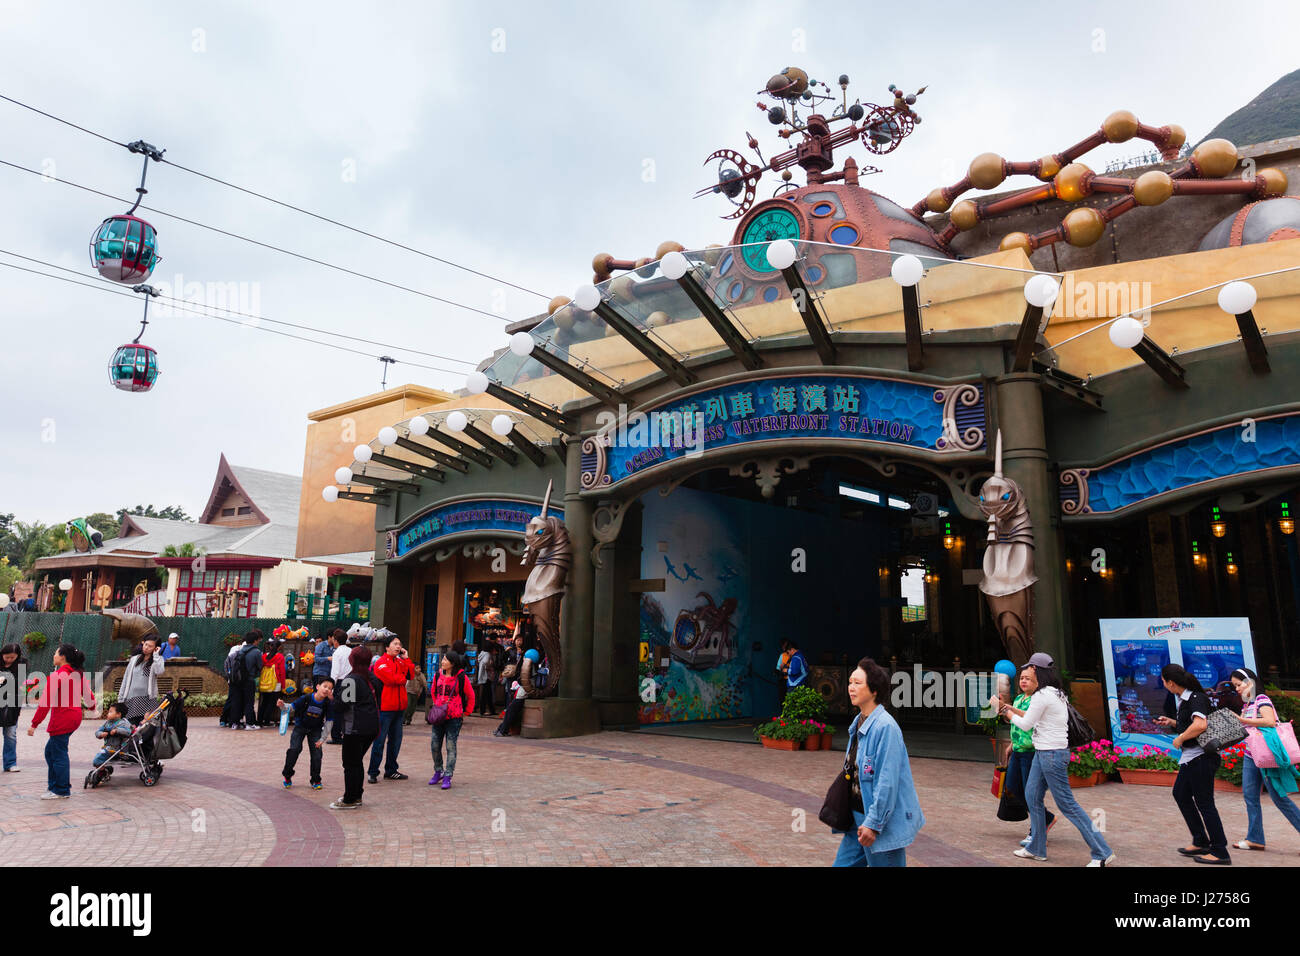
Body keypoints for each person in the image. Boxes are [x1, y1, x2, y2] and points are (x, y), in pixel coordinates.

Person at [997, 662, 1116, 866]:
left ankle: (1102, 852)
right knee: (1032, 795)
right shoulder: (1054, 692)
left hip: (1052, 754)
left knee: (1067, 805)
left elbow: (1026, 724)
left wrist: (1005, 712)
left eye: (1030, 673)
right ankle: (1036, 848)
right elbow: (1032, 717)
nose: (1026, 677)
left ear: (1039, 674)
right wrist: (1011, 708)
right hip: (1044, 753)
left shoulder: (1042, 695)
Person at [832, 657, 925, 867]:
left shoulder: (885, 728)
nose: (851, 688)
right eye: (850, 682)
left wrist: (873, 824)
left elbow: (887, 782)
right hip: (857, 816)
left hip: (879, 822)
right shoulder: (858, 723)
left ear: (874, 691)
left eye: (858, 683)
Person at [1153, 663, 1229, 864]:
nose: (1163, 684)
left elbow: (1200, 725)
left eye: (1163, 681)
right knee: (1181, 794)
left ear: (1170, 682)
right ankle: (1201, 840)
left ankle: (1220, 851)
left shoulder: (1195, 698)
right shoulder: (1185, 699)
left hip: (1201, 758)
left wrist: (1179, 738)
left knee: (1205, 803)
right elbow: (1192, 725)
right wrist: (1172, 723)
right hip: (1192, 757)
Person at [1230, 666, 1300, 850]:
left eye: (1238, 685)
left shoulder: (1262, 699)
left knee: (1279, 799)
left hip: (1266, 756)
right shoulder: (1248, 704)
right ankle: (1255, 838)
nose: (1236, 689)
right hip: (1251, 756)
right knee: (1250, 796)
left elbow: (1270, 721)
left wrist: (1243, 720)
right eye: (1235, 686)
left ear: (1249, 683)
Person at [28, 643, 95, 800]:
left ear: (63, 657)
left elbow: (45, 703)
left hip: (63, 719)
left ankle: (61, 790)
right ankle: (56, 787)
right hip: (74, 717)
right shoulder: (77, 673)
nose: (54, 656)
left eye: (56, 653)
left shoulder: (57, 675)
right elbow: (89, 697)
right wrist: (92, 709)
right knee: (51, 752)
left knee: (58, 754)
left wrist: (34, 724)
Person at [1003, 664, 1055, 848]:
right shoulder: (1018, 698)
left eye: (1029, 679)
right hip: (1018, 751)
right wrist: (1011, 744)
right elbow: (1016, 724)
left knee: (1031, 793)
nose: (1024, 681)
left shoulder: (1037, 700)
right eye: (1022, 678)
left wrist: (1008, 710)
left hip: (1032, 752)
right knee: (1012, 787)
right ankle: (1046, 818)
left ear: (1038, 682)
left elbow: (1029, 718)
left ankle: (1036, 831)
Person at [331, 646, 379, 810]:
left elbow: (342, 705)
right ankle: (356, 795)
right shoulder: (372, 678)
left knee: (351, 763)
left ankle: (350, 798)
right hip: (372, 727)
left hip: (355, 727)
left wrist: (332, 698)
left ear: (353, 660)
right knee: (356, 762)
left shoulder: (352, 679)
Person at [368, 637, 414, 783]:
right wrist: (402, 677)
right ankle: (373, 772)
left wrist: (406, 659)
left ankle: (391, 770)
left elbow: (410, 675)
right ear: (387, 647)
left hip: (399, 708)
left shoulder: (400, 661)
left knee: (395, 741)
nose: (398, 646)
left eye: (400, 644)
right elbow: (394, 680)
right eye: (395, 644)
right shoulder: (380, 663)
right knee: (380, 741)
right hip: (385, 708)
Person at [429, 650, 475, 790]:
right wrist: (438, 704)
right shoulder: (438, 675)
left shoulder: (461, 677)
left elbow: (471, 695)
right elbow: (433, 691)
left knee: (451, 746)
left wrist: (466, 712)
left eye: (445, 660)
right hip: (439, 716)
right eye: (442, 659)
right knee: (435, 745)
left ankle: (448, 775)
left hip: (454, 717)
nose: (442, 662)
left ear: (452, 663)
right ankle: (438, 771)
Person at [280, 677, 333, 790]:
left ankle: (316, 779)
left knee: (317, 755)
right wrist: (282, 705)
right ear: (318, 687)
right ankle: (287, 775)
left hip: (315, 730)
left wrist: (322, 739)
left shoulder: (328, 704)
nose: (326, 690)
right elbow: (291, 707)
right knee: (294, 750)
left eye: (330, 688)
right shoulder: (306, 698)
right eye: (325, 686)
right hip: (300, 727)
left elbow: (329, 722)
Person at [118, 636, 165, 725]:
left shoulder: (157, 661)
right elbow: (125, 679)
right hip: (131, 700)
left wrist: (156, 655)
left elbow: (160, 671)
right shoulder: (134, 659)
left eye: (150, 646)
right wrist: (120, 699)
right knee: (130, 728)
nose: (146, 648)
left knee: (145, 730)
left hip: (147, 700)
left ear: (156, 648)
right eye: (146, 644)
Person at [228, 631, 264, 731]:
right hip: (249, 680)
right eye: (258, 640)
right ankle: (249, 724)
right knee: (249, 702)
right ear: (255, 641)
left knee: (237, 701)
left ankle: (235, 723)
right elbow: (260, 666)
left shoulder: (240, 650)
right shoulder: (256, 652)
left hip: (237, 680)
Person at [0, 643, 27, 772]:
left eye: (12, 657)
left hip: (12, 703)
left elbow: (19, 682)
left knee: (10, 733)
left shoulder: (22, 664)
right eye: (7, 657)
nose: (9, 660)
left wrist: (4, 679)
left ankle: (10, 763)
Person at [329, 632, 354, 744]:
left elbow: (335, 672)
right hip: (351, 681)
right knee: (349, 709)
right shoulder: (351, 651)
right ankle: (349, 734)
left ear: (336, 641)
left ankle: (336, 736)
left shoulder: (337, 653)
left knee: (337, 710)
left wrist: (331, 687)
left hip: (339, 682)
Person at [92, 701, 133, 767]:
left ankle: (101, 770)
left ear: (118, 714)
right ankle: (103, 770)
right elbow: (97, 732)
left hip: (117, 749)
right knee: (100, 756)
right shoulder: (108, 723)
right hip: (108, 748)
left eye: (110, 712)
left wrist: (117, 730)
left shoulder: (123, 722)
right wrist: (101, 734)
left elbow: (128, 731)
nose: (108, 714)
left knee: (98, 759)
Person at [256, 639, 286, 726]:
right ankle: (267, 721)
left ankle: (260, 720)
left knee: (264, 701)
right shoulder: (280, 657)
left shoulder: (264, 656)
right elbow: (282, 671)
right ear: (279, 647)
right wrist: (283, 685)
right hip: (276, 682)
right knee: (272, 703)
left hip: (265, 682)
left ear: (270, 647)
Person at [220, 641, 245, 727]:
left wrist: (229, 677)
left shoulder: (234, 652)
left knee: (231, 700)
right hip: (236, 682)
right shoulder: (236, 652)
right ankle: (227, 719)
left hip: (233, 681)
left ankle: (226, 719)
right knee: (233, 700)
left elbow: (226, 667)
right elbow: (227, 666)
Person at [475, 640, 496, 716]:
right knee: (486, 694)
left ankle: (488, 710)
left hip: (482, 676)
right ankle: (484, 710)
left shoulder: (482, 653)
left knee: (486, 694)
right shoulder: (487, 654)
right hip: (486, 676)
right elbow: (485, 662)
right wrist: (489, 667)